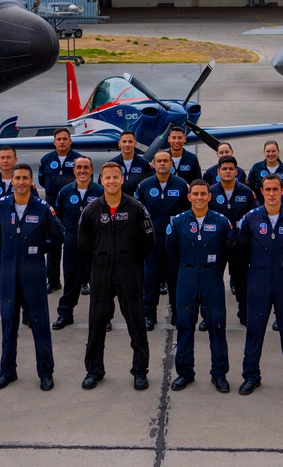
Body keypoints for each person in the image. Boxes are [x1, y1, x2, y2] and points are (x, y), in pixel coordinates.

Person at [79, 162, 154, 391]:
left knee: (136, 322)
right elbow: (83, 243)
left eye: (116, 177)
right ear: (101, 181)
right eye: (107, 178)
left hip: (128, 270)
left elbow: (148, 241)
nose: (111, 181)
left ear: (122, 179)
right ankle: (94, 370)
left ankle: (140, 371)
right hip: (101, 271)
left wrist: (130, 258)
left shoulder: (136, 208)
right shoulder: (92, 209)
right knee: (97, 323)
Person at [0, 164, 64, 391]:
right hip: (9, 275)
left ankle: (45, 373)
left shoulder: (42, 208)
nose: (21, 182)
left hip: (34, 276)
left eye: (25, 178)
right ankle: (7, 372)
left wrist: (40, 248)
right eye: (17, 178)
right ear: (11, 180)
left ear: (32, 182)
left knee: (40, 325)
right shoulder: (1, 206)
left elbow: (59, 235)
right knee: (9, 324)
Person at [236, 175, 283, 398]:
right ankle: (251, 376)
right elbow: (240, 251)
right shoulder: (250, 218)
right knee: (254, 329)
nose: (271, 193)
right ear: (261, 192)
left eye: (275, 189)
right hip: (258, 280)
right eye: (267, 189)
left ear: (282, 191)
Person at [166, 180, 235, 393]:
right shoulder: (178, 222)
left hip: (212, 278)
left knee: (217, 327)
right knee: (185, 327)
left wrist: (213, 269)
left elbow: (228, 251)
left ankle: (219, 374)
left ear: (209, 196)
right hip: (186, 277)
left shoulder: (222, 222)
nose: (199, 198)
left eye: (203, 194)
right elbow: (171, 252)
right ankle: (185, 373)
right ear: (189, 196)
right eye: (195, 194)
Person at [0, 146, 40, 330]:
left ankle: (27, 315)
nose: (5, 161)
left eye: (8, 158)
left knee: (23, 280)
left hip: (20, 243)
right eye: (2, 157)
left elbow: (35, 207)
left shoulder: (25, 183)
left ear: (15, 160)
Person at [135, 150, 189, 330]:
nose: (162, 164)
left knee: (176, 282)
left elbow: (189, 213)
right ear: (154, 164)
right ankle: (149, 315)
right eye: (159, 161)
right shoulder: (144, 186)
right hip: (151, 244)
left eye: (166, 160)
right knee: (150, 282)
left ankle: (176, 313)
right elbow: (137, 213)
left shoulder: (182, 185)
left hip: (175, 244)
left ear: (171, 164)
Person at [53, 156, 104, 329]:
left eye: (86, 167)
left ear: (91, 170)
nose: (82, 170)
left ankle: (104, 317)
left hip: (95, 242)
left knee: (99, 281)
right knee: (70, 279)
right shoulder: (65, 192)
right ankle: (65, 314)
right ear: (74, 170)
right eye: (79, 167)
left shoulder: (100, 192)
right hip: (72, 241)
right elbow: (58, 216)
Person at [208, 155, 257, 327]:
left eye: (231, 169)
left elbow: (255, 218)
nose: (227, 171)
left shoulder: (246, 192)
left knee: (242, 284)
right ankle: (210, 317)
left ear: (236, 172)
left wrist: (244, 240)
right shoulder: (210, 192)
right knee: (212, 284)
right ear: (218, 171)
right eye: (224, 168)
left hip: (240, 247)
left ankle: (244, 314)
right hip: (216, 246)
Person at [38, 128, 83, 293]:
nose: (62, 141)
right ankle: (54, 281)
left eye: (65, 138)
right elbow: (42, 180)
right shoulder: (46, 160)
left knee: (78, 244)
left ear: (70, 141)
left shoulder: (79, 159)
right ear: (54, 141)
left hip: (72, 206)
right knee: (53, 244)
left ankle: (83, 281)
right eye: (59, 139)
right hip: (52, 205)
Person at [106, 130, 151, 195]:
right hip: (117, 202)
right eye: (124, 142)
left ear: (135, 144)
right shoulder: (111, 164)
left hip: (137, 203)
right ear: (119, 144)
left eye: (130, 142)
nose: (127, 145)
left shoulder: (144, 164)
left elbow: (149, 186)